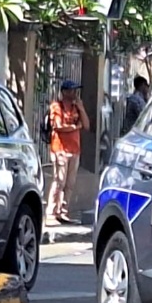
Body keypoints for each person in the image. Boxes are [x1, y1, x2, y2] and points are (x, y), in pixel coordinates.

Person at [46, 80, 89, 224]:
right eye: (71, 91)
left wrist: (81, 108)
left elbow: (87, 125)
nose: (74, 93)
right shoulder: (56, 107)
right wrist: (75, 127)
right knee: (60, 180)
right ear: (64, 92)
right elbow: (58, 126)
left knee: (70, 183)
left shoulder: (76, 108)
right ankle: (52, 211)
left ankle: (63, 211)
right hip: (60, 149)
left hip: (74, 149)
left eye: (75, 90)